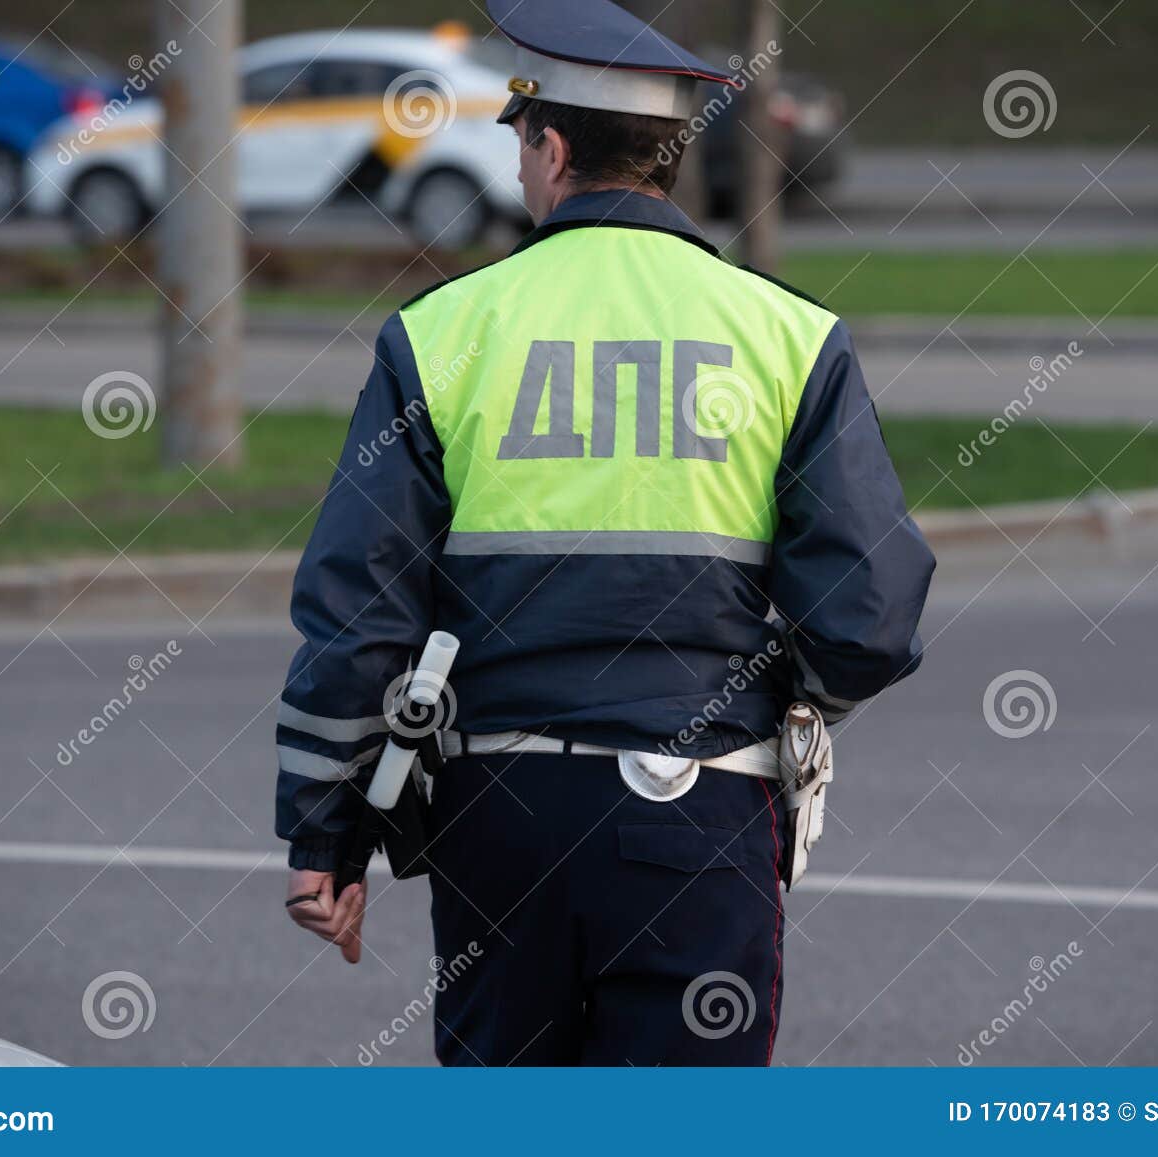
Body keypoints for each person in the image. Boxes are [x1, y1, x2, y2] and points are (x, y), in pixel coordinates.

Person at [275, 0, 935, 1066]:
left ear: (554, 145)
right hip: (701, 813)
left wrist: (326, 830)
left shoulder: (440, 331)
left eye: (523, 140)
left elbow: (361, 603)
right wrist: (765, 703)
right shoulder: (791, 334)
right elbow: (867, 613)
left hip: (497, 815)